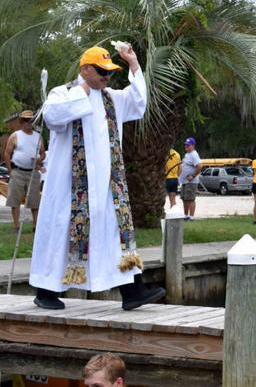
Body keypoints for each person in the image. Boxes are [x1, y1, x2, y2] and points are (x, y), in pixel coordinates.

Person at [30, 44, 164, 311]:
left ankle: (132, 291)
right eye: (101, 71)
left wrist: (134, 64)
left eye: (110, 71)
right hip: (71, 188)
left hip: (106, 187)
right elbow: (53, 117)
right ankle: (45, 291)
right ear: (85, 69)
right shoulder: (64, 92)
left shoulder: (111, 98)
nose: (106, 76)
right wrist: (82, 90)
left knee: (116, 234)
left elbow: (138, 102)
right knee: (61, 235)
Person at [3, 109, 45, 230]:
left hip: (33, 172)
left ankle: (35, 225)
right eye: (26, 121)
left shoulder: (38, 136)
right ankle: (16, 225)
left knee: (34, 200)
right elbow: (7, 153)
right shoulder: (15, 135)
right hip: (18, 171)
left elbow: (43, 154)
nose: (28, 123)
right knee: (14, 200)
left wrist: (39, 159)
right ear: (21, 122)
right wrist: (10, 170)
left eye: (30, 121)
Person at [179, 137, 202, 220]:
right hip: (185, 181)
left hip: (191, 182)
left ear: (193, 145)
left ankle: (191, 216)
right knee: (184, 198)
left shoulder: (194, 154)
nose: (186, 146)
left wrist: (193, 175)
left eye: (188, 145)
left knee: (190, 199)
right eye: (185, 145)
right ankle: (185, 215)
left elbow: (199, 166)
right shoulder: (187, 154)